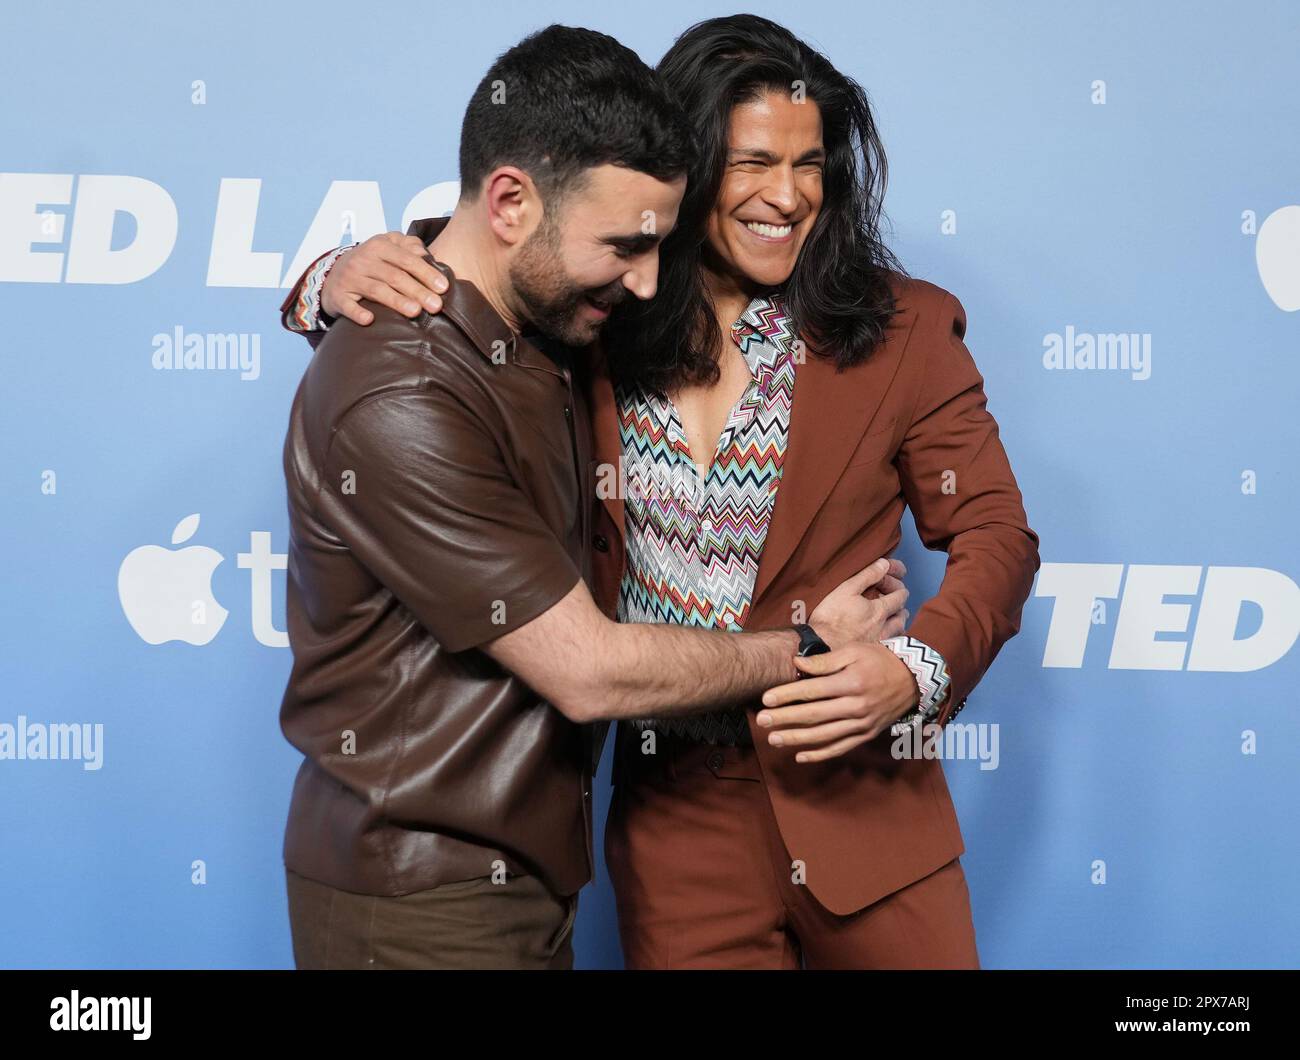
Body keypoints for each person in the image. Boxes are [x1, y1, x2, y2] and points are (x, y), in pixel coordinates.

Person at [282, 15, 1040, 969]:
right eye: (754, 162)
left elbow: (997, 532)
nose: (787, 195)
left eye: (810, 165)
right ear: (689, 165)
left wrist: (917, 670)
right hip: (675, 820)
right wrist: (331, 279)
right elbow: (489, 272)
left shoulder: (904, 329)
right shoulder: (599, 319)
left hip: (866, 804)